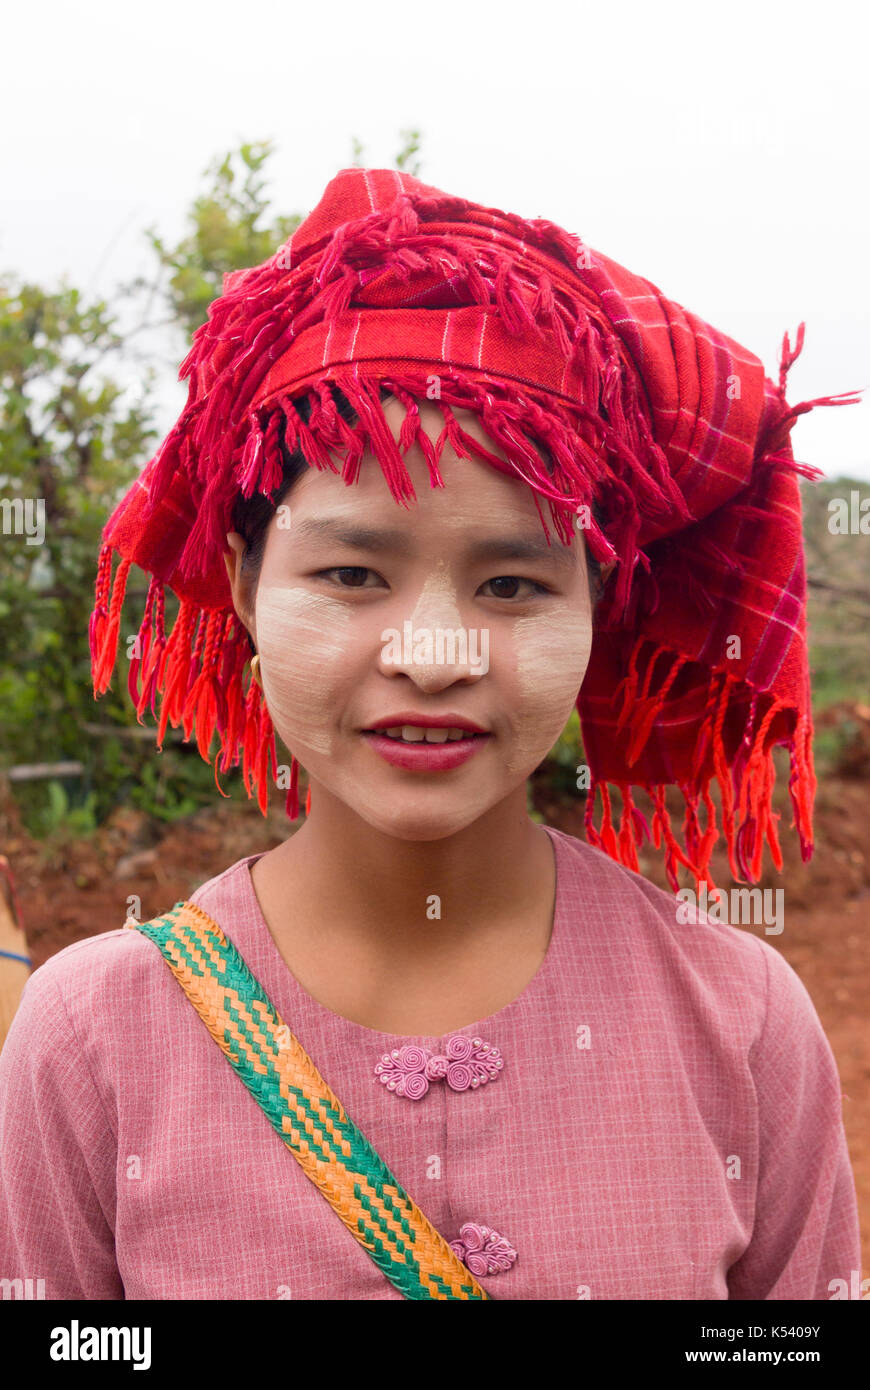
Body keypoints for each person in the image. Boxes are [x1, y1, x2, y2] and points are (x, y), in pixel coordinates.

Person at [0, 167, 861, 1300]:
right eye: (353, 572)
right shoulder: (89, 1037)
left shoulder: (742, 1021)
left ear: (604, 608)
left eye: (514, 584)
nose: (436, 655)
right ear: (246, 588)